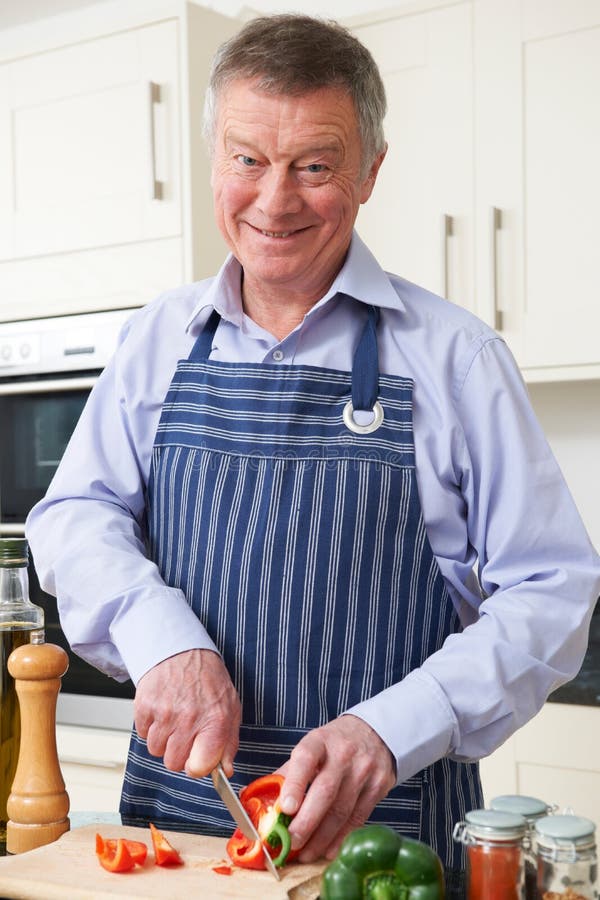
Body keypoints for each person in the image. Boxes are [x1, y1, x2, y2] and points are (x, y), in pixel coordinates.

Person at [26, 13, 600, 876]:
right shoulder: (159, 340)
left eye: (315, 165)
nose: (274, 198)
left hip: (387, 842)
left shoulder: (456, 357)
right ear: (213, 158)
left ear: (371, 170)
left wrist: (388, 729)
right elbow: (74, 514)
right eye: (247, 158)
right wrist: (163, 640)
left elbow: (551, 593)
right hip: (173, 836)